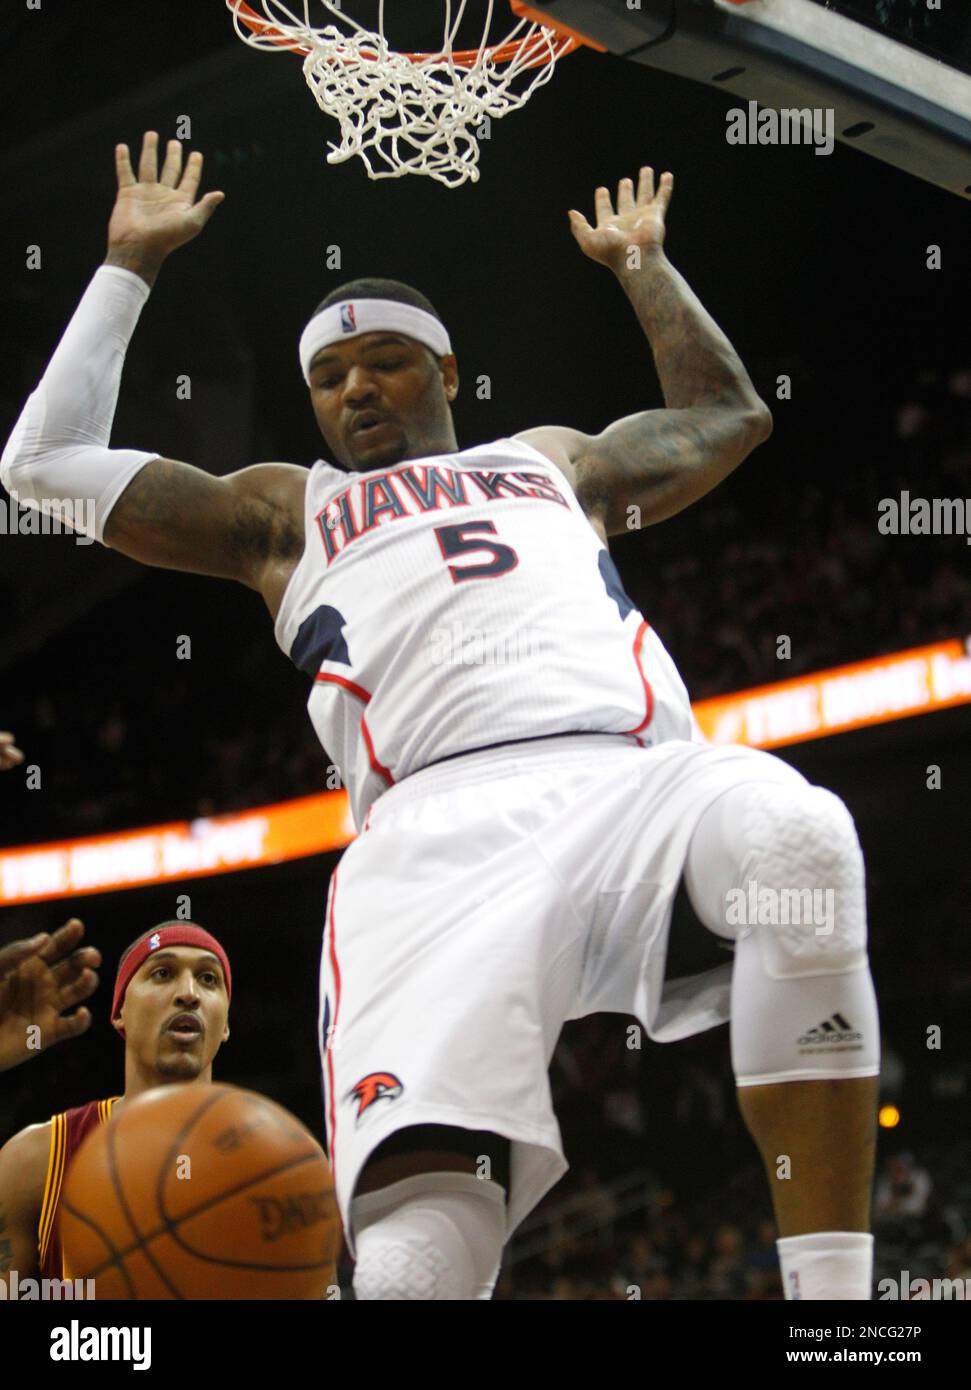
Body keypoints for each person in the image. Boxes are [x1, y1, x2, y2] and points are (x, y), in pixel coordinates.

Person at [0, 131, 881, 1300]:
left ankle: (837, 1314)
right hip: (429, 847)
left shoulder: (551, 461)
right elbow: (42, 462)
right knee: (416, 1261)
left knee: (800, 839)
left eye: (386, 361)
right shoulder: (283, 514)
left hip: (630, 779)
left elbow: (729, 415)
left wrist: (642, 266)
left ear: (449, 370)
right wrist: (127, 266)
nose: (355, 387)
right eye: (328, 374)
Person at [0, 921, 230, 1288]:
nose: (189, 993)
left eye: (208, 979)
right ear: (120, 1011)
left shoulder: (282, 1159)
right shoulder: (36, 1160)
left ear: (225, 1025)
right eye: (163, 973)